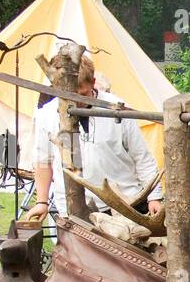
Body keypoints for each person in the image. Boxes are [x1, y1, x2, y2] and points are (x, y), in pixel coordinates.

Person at [28, 53, 161, 222]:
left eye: (82, 94)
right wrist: (42, 202)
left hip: (125, 205)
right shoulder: (46, 114)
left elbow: (141, 156)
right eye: (69, 96)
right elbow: (42, 161)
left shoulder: (116, 108)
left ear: (92, 82)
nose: (76, 103)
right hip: (72, 208)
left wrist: (154, 197)